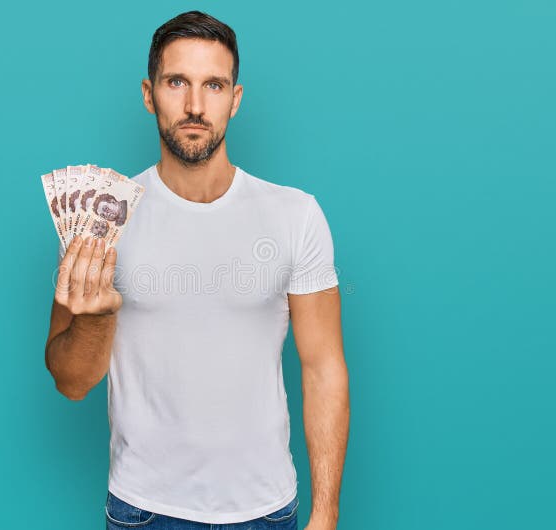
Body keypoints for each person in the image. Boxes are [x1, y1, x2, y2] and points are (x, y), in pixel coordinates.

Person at [45, 10, 349, 530]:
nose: (193, 105)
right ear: (148, 94)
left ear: (235, 98)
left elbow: (323, 367)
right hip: (142, 510)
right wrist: (96, 318)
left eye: (213, 85)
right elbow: (71, 382)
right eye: (177, 81)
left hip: (268, 510)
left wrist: (326, 513)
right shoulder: (101, 220)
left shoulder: (295, 215)